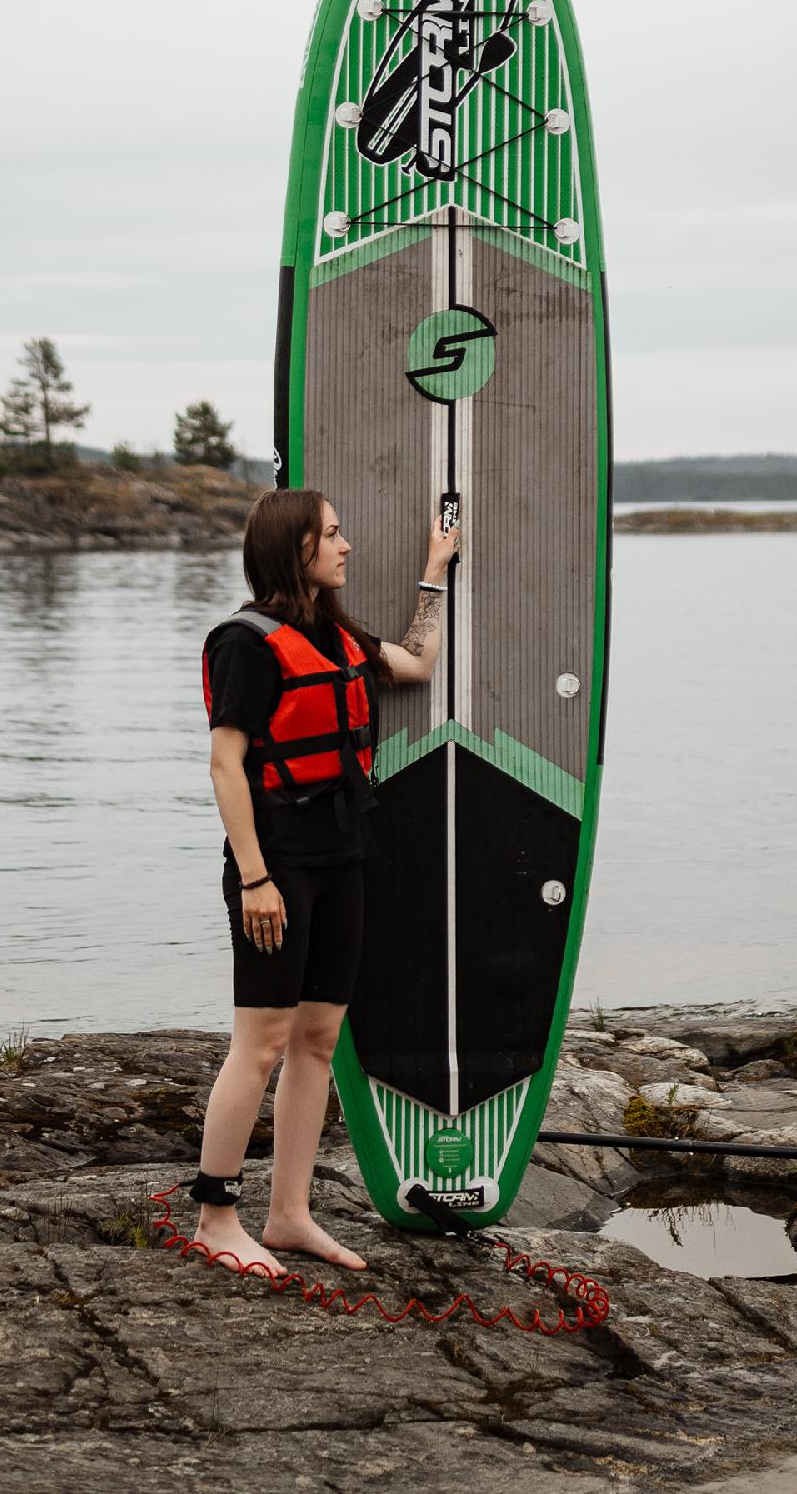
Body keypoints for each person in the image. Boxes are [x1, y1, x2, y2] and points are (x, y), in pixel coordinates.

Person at [190, 485, 457, 1275]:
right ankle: (214, 1216)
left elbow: (413, 663)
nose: (346, 546)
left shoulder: (333, 634)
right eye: (333, 535)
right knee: (261, 1043)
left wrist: (435, 572)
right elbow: (224, 763)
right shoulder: (244, 642)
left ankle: (289, 1215)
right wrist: (255, 878)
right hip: (276, 870)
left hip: (343, 859)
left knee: (317, 1040)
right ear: (294, 548)